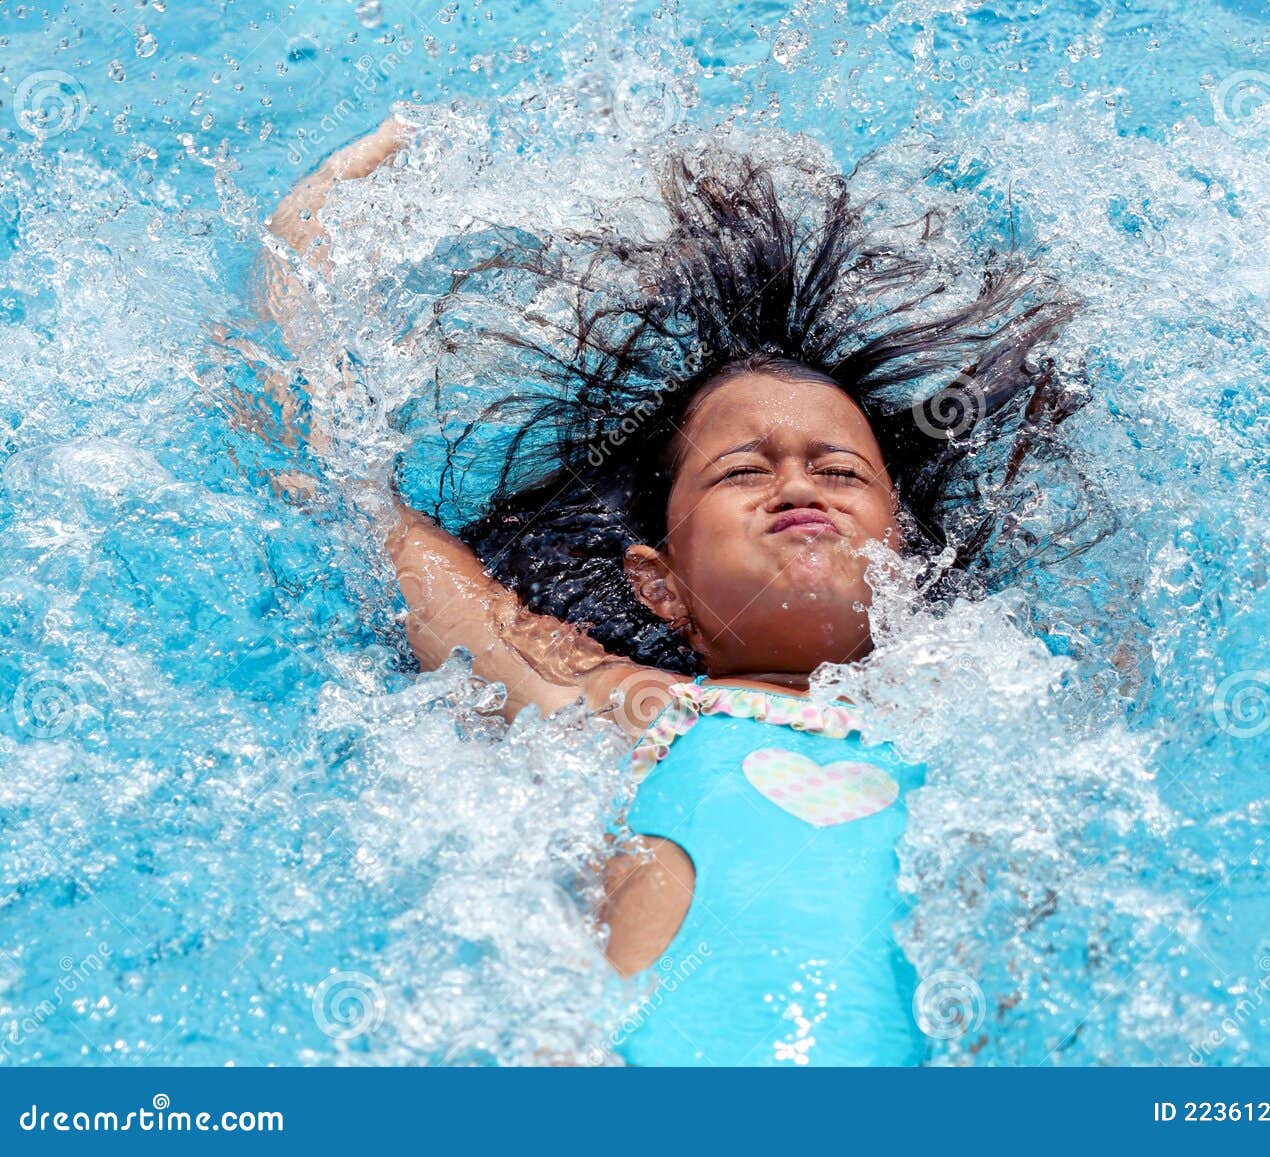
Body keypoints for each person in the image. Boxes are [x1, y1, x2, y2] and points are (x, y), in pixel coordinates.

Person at [253, 116, 1083, 1065]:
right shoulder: (626, 708)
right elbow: (357, 505)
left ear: (907, 549)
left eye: (841, 472)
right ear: (661, 583)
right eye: (743, 471)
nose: (799, 486)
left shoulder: (988, 705)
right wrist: (297, 260)